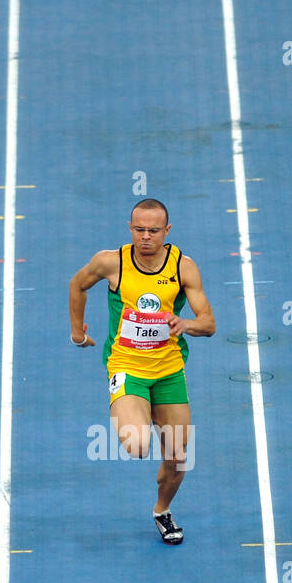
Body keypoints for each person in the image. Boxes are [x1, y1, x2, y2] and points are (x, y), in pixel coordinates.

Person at [68, 199, 215, 544]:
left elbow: (209, 323)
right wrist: (78, 332)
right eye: (139, 230)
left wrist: (187, 324)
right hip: (126, 366)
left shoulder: (184, 268)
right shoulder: (111, 262)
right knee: (137, 444)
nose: (146, 237)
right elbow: (77, 285)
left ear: (167, 231)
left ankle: (161, 511)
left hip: (168, 370)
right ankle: (134, 411)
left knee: (178, 457)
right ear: (130, 228)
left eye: (153, 231)